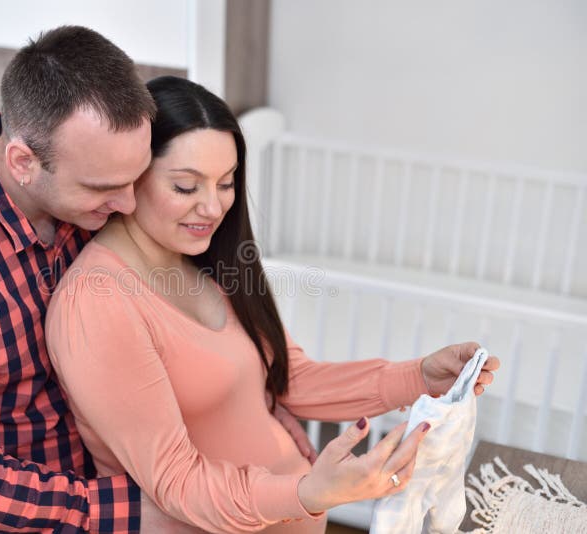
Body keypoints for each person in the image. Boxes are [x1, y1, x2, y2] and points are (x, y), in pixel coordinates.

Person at [0, 26, 318, 533]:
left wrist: (257, 410)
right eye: (105, 188)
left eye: (135, 178)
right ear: (23, 162)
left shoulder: (86, 191)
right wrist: (122, 510)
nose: (128, 204)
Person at [45, 76, 500, 532]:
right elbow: (177, 483)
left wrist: (418, 377)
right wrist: (308, 493)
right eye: (186, 187)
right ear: (131, 178)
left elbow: (290, 378)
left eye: (226, 183)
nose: (213, 207)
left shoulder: (206, 260)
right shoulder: (97, 302)